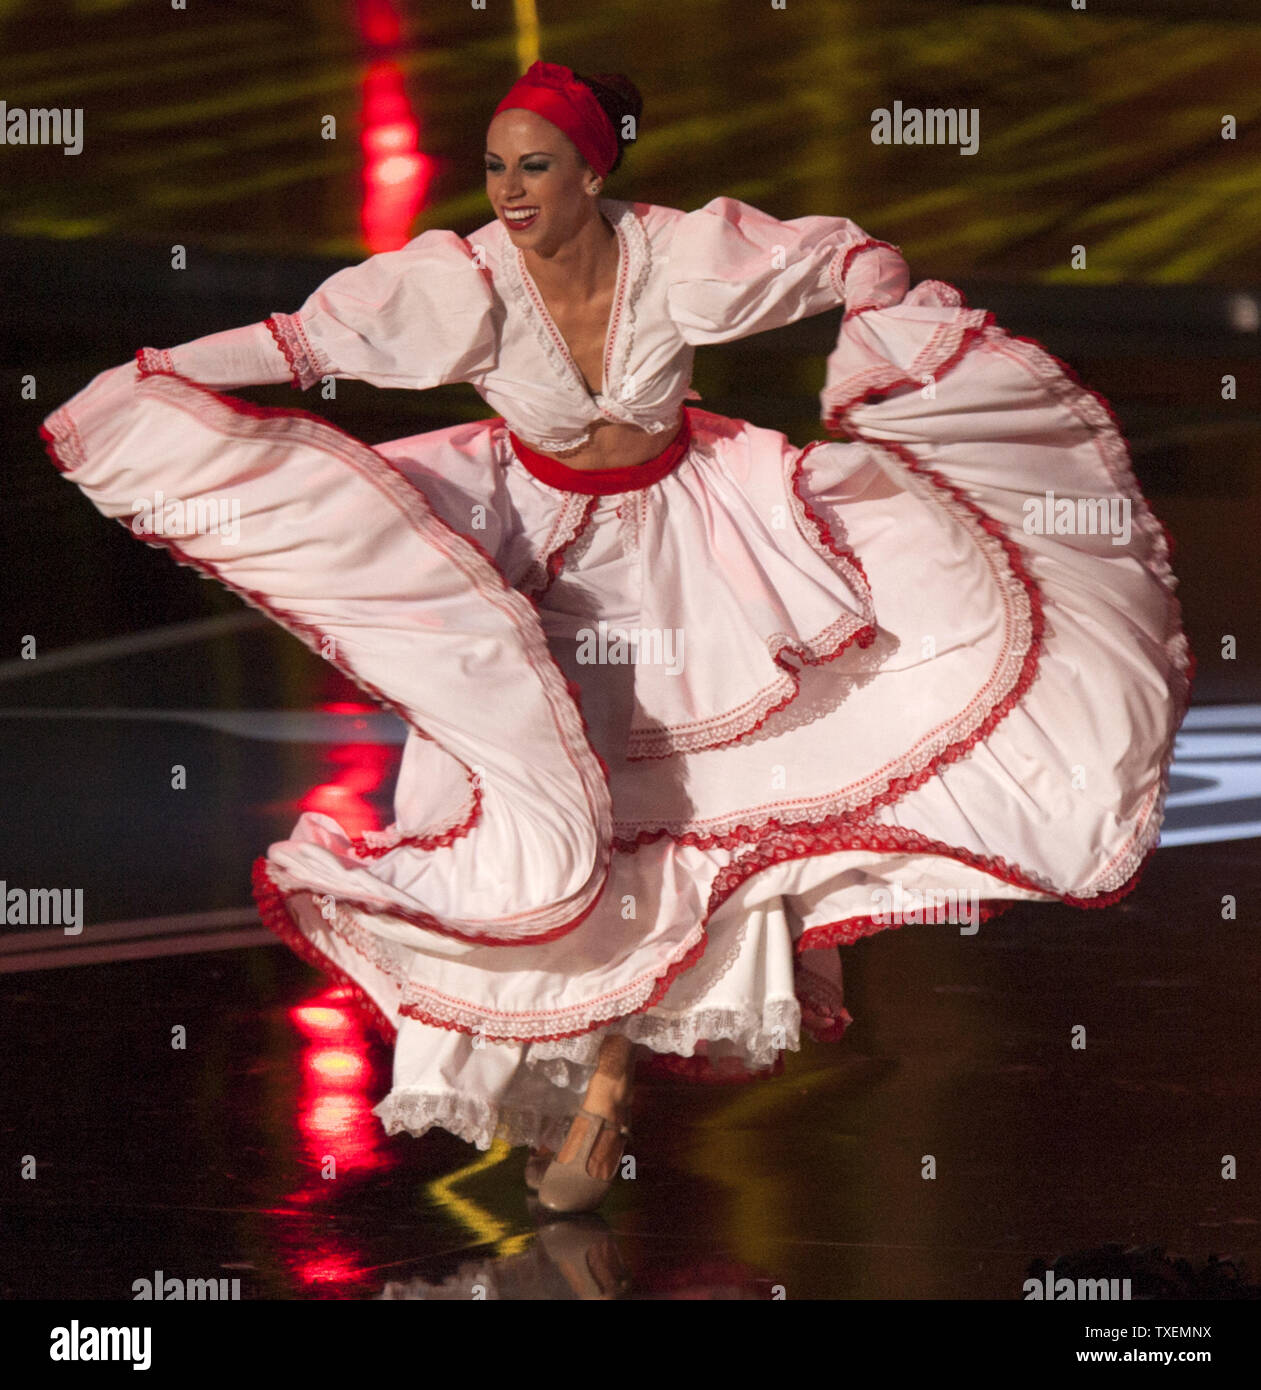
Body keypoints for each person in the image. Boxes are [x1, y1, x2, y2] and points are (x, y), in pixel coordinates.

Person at [40, 60, 1190, 1215]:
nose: (508, 190)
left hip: (695, 540)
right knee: (562, 818)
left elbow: (847, 255)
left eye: (533, 166)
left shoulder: (678, 255)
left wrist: (890, 324)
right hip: (530, 555)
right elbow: (301, 345)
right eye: (493, 167)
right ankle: (584, 1079)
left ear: (593, 169)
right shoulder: (464, 283)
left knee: (683, 816)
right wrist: (156, 378)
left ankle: (601, 1093)